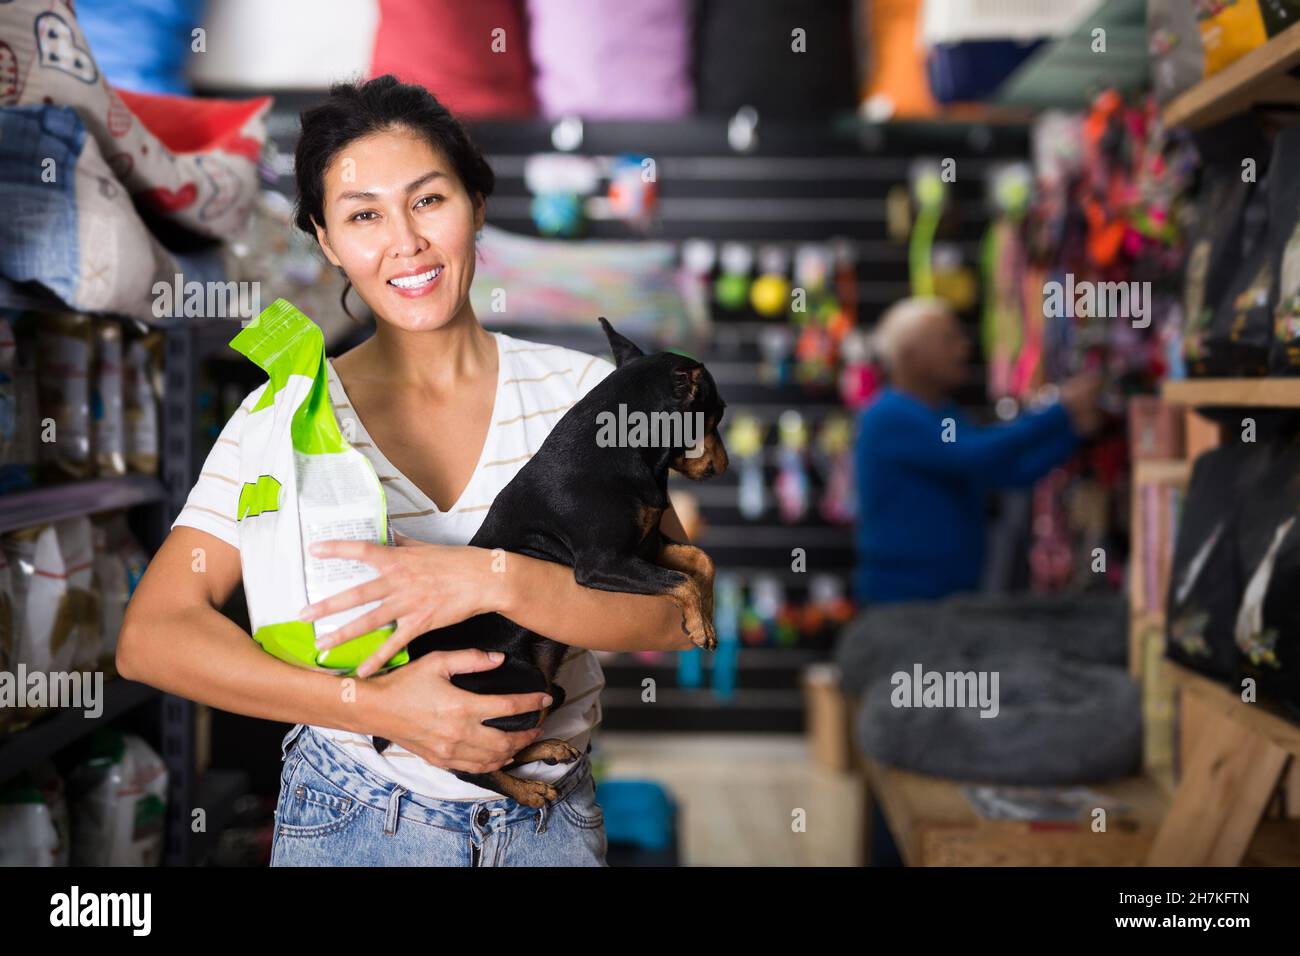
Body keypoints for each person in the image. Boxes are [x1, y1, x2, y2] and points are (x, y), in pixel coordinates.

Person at [117, 76, 697, 867]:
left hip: (549, 826)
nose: (406, 242)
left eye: (428, 200)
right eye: (363, 215)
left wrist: (488, 578)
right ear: (326, 241)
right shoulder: (286, 418)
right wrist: (372, 705)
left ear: (476, 202)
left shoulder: (586, 395)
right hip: (355, 821)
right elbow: (153, 636)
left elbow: (679, 616)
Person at [853, 296, 1102, 606]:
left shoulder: (941, 413)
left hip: (950, 597)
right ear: (909, 355)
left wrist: (1073, 433)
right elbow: (972, 454)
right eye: (948, 340)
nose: (962, 349)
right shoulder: (889, 415)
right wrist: (1060, 410)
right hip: (905, 602)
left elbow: (1008, 473)